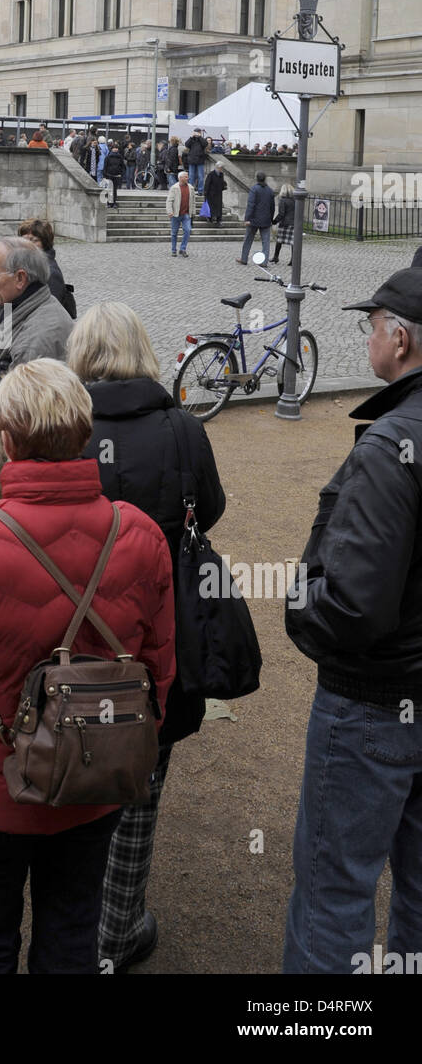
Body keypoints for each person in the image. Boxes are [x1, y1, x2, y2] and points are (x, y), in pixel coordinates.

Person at [0, 357, 176, 974]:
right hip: (93, 779)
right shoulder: (141, 535)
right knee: (72, 934)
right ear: (85, 435)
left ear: (7, 441)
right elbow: (159, 672)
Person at [67, 302, 225, 971]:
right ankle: (117, 929)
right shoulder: (183, 428)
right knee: (141, 785)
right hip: (155, 630)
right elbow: (210, 508)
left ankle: (68, 923)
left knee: (70, 770)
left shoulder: (65, 423)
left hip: (71, 632)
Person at [284, 268, 422, 974]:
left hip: (373, 705)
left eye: (372, 326)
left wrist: (299, 607)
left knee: (334, 893)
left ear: (398, 340)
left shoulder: (390, 449)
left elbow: (354, 606)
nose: (368, 336)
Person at [0, 237, 73, 458]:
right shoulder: (13, 311)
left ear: (20, 278)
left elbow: (11, 420)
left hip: (20, 467)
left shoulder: (38, 337)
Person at [17, 217, 75, 317]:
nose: (27, 245)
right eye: (23, 240)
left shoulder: (50, 273)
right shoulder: (27, 264)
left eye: (34, 240)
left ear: (45, 242)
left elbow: (50, 313)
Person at [237, 171, 275, 265]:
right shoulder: (270, 191)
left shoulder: (254, 189)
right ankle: (264, 261)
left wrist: (247, 219)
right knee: (265, 242)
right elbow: (272, 207)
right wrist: (271, 218)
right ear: (265, 178)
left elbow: (251, 205)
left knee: (248, 240)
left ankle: (244, 258)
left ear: (257, 179)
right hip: (266, 220)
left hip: (254, 220)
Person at [166, 169, 195, 257]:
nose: (187, 178)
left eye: (187, 176)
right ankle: (173, 250)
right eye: (186, 176)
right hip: (175, 214)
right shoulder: (174, 188)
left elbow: (193, 201)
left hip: (186, 214)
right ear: (180, 178)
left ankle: (183, 249)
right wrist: (170, 212)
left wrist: (193, 212)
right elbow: (169, 201)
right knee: (174, 233)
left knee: (188, 230)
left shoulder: (191, 188)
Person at [272, 183, 295, 265]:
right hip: (294, 223)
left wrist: (274, 221)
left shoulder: (282, 200)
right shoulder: (295, 200)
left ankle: (276, 257)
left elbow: (281, 214)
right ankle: (293, 260)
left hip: (285, 223)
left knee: (279, 240)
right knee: (293, 242)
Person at [203, 160, 226, 226]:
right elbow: (207, 183)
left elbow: (221, 183)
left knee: (218, 207)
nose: (222, 169)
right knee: (211, 207)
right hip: (211, 194)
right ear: (218, 167)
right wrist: (205, 192)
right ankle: (210, 218)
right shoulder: (211, 174)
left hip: (218, 193)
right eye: (221, 168)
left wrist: (224, 185)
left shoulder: (221, 174)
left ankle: (219, 220)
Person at [184, 128, 208, 194]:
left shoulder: (202, 139)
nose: (196, 133)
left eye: (197, 132)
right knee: (191, 176)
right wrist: (191, 137)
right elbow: (186, 144)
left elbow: (205, 144)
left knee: (201, 176)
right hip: (192, 160)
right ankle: (190, 190)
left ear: (200, 133)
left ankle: (200, 191)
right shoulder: (192, 139)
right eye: (195, 132)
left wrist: (200, 137)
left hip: (200, 160)